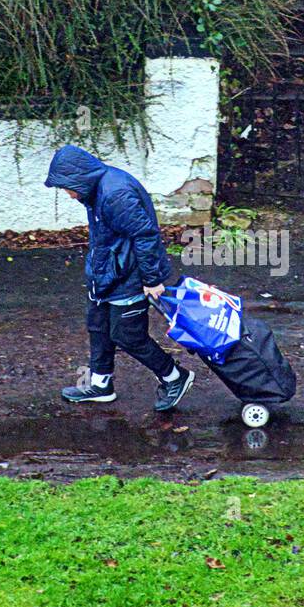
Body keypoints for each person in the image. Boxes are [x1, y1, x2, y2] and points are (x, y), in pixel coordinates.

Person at [44, 144, 194, 410]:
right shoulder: (95, 189)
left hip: (131, 277)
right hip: (108, 275)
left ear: (79, 178)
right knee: (98, 325)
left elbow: (145, 236)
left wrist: (150, 280)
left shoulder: (115, 195)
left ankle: (175, 377)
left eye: (67, 187)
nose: (67, 194)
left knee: (127, 335)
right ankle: (101, 385)